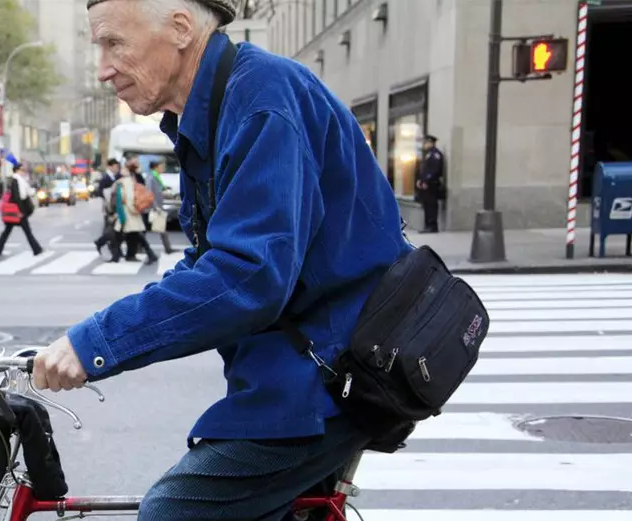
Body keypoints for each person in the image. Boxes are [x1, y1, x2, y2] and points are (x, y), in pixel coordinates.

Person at [30, 1, 411, 520]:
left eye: (113, 42)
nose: (102, 68)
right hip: (300, 371)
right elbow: (212, 258)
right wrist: (89, 338)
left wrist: (96, 343)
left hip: (327, 379)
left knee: (172, 513)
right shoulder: (215, 108)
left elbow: (248, 275)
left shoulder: (259, 103)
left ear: (181, 28)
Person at [0, 163, 43, 257]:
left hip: (17, 209)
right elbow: (17, 197)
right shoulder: (15, 180)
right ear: (17, 170)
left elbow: (26, 192)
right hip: (18, 209)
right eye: (21, 169)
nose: (23, 171)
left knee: (7, 231)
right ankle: (37, 249)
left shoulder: (21, 180)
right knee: (27, 231)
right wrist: (20, 211)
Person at [144, 159, 175, 254]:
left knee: (160, 227)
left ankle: (168, 248)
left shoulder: (156, 177)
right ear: (156, 167)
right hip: (152, 207)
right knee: (143, 229)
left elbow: (158, 191)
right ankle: (167, 248)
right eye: (161, 166)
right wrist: (155, 206)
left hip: (157, 206)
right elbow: (149, 193)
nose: (163, 168)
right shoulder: (151, 177)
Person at [416, 134, 445, 234]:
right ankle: (427, 225)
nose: (424, 144)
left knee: (431, 205)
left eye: (425, 142)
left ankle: (432, 226)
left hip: (432, 184)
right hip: (426, 185)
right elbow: (424, 170)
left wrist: (426, 181)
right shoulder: (428, 154)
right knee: (427, 205)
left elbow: (434, 170)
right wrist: (420, 180)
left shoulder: (435, 154)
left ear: (430, 142)